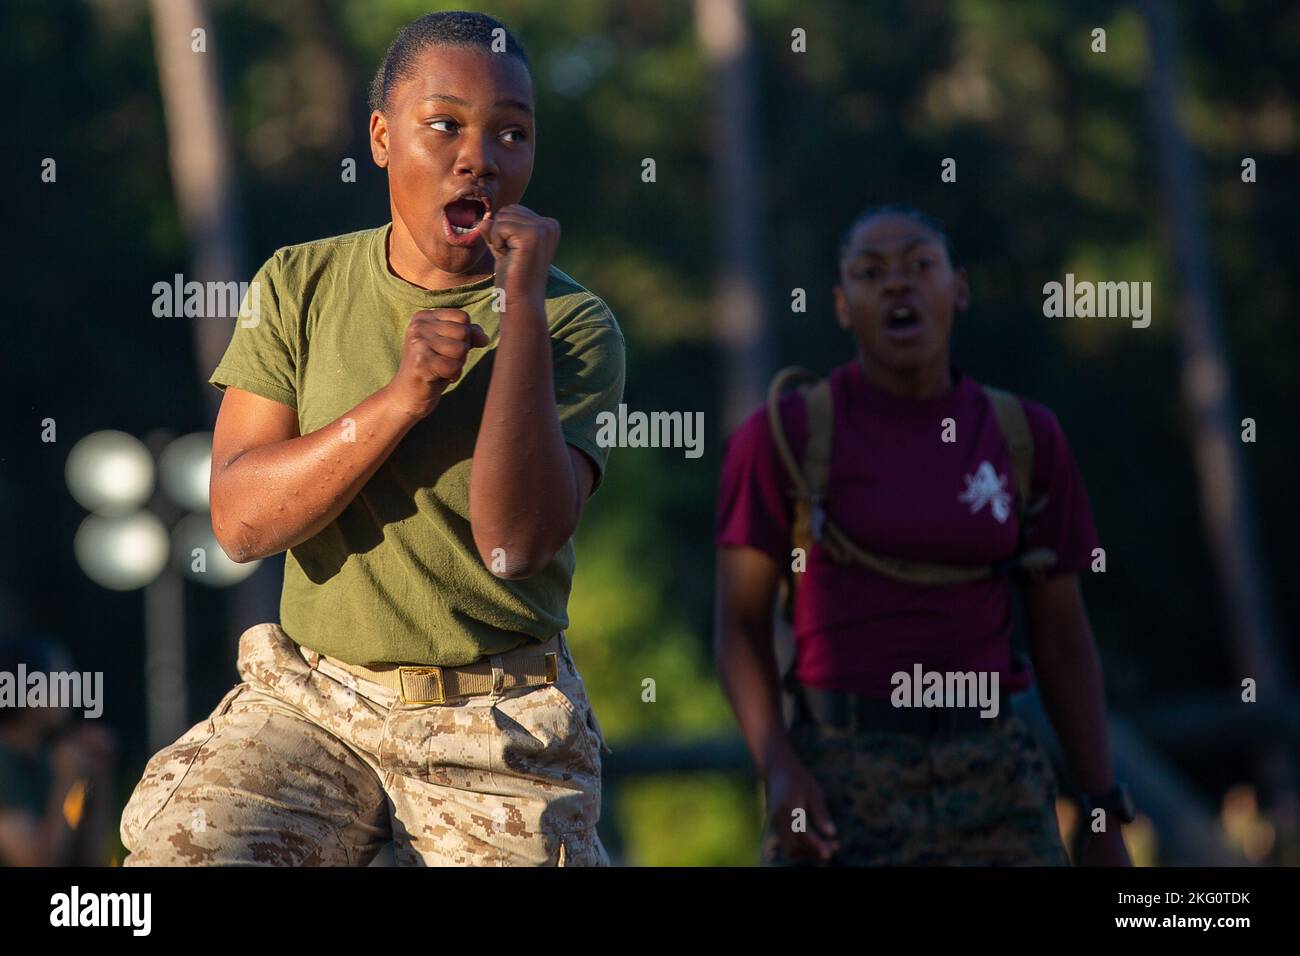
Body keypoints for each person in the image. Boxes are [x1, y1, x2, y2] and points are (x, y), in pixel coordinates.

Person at [120, 11, 624, 867]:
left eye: (513, 132)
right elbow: (241, 524)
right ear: (382, 137)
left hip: (493, 718)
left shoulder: (575, 325)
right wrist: (398, 401)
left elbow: (516, 546)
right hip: (314, 697)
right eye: (445, 125)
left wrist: (524, 312)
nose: (480, 156)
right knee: (178, 851)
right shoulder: (299, 282)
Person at [714, 204, 1133, 866]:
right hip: (841, 780)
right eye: (870, 272)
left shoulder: (1024, 438)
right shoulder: (784, 437)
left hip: (996, 776)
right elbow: (739, 623)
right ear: (842, 304)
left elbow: (1062, 634)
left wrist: (1103, 806)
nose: (897, 285)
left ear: (958, 289)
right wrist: (779, 767)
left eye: (919, 265)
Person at [0, 635, 117, 866]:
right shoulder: (5, 764)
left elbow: (93, 857)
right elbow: (36, 862)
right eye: (60, 678)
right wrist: (66, 780)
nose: (72, 687)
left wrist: (100, 773)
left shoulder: (47, 758)